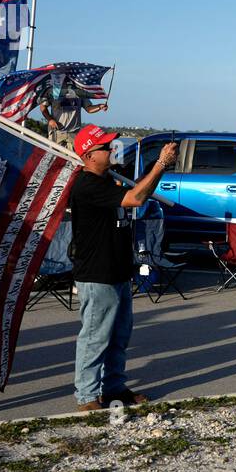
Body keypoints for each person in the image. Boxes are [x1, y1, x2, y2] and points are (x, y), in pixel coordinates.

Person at [69, 125, 177, 410]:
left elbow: (139, 192)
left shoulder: (107, 180)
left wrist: (158, 171)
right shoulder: (87, 184)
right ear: (90, 155)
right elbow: (136, 199)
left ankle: (114, 388)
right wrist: (161, 164)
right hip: (97, 273)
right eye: (105, 147)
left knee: (119, 335)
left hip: (118, 269)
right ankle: (87, 396)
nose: (112, 150)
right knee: (96, 337)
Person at [40, 75, 108, 150]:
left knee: (73, 160)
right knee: (56, 159)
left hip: (74, 133)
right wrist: (50, 120)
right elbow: (43, 106)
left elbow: (89, 109)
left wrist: (99, 106)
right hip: (57, 132)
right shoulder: (53, 91)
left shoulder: (80, 92)